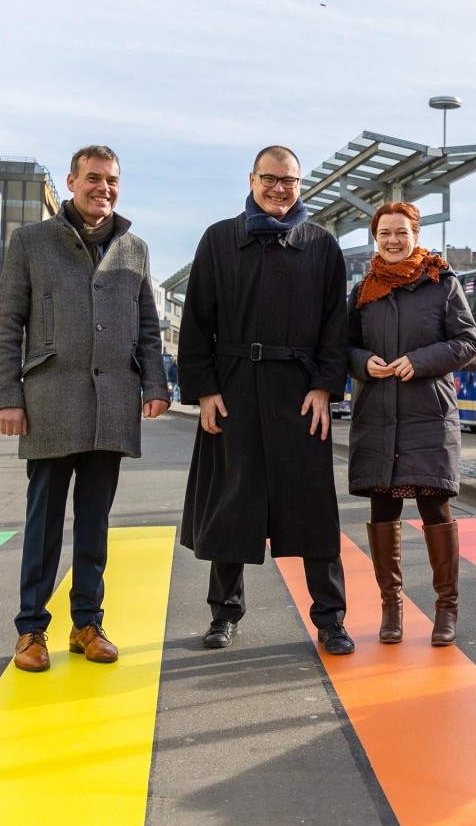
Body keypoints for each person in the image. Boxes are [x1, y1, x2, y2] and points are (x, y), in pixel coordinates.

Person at [0, 143, 169, 673]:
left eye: (112, 180)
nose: (104, 188)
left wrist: (155, 385)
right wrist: (8, 397)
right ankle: (30, 631)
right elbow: (8, 327)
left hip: (111, 402)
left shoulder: (133, 248)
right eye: (94, 178)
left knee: (95, 523)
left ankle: (87, 623)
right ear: (72, 182)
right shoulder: (30, 242)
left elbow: (147, 329)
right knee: (44, 522)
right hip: (49, 401)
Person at [177, 145, 353, 656]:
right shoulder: (219, 239)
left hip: (300, 393)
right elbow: (196, 323)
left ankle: (331, 618)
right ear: (252, 179)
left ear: (301, 186)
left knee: (314, 509)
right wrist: (205, 390)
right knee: (234, 503)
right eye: (271, 179)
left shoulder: (321, 245)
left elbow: (334, 329)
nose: (280, 189)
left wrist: (325, 386)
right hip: (233, 389)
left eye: (290, 181)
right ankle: (223, 614)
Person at [346, 201, 476, 646]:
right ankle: (392, 608)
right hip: (379, 415)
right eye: (385, 233)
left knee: (435, 509)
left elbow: (468, 341)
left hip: (429, 415)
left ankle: (447, 610)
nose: (393, 240)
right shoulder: (363, 291)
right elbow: (342, 348)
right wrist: (366, 363)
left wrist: (418, 362)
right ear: (375, 238)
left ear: (416, 235)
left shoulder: (442, 283)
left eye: (401, 232)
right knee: (383, 509)